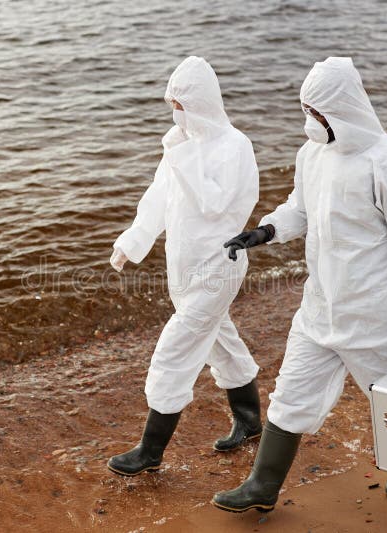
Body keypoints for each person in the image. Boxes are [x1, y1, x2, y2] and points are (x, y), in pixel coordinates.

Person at [212, 57, 387, 511]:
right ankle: (262, 487)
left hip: (375, 314)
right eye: (306, 111)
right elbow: (301, 208)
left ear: (342, 108)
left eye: (316, 113)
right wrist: (266, 231)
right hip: (319, 309)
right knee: (290, 395)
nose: (309, 121)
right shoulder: (311, 154)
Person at [107, 56, 262, 477]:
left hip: (218, 267)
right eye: (172, 104)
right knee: (219, 341)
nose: (175, 113)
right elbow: (158, 197)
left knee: (174, 350)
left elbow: (217, 203)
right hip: (183, 266)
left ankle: (150, 451)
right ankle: (249, 421)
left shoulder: (234, 146)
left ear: (201, 103)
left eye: (181, 104)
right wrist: (132, 242)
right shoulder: (180, 143)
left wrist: (181, 154)